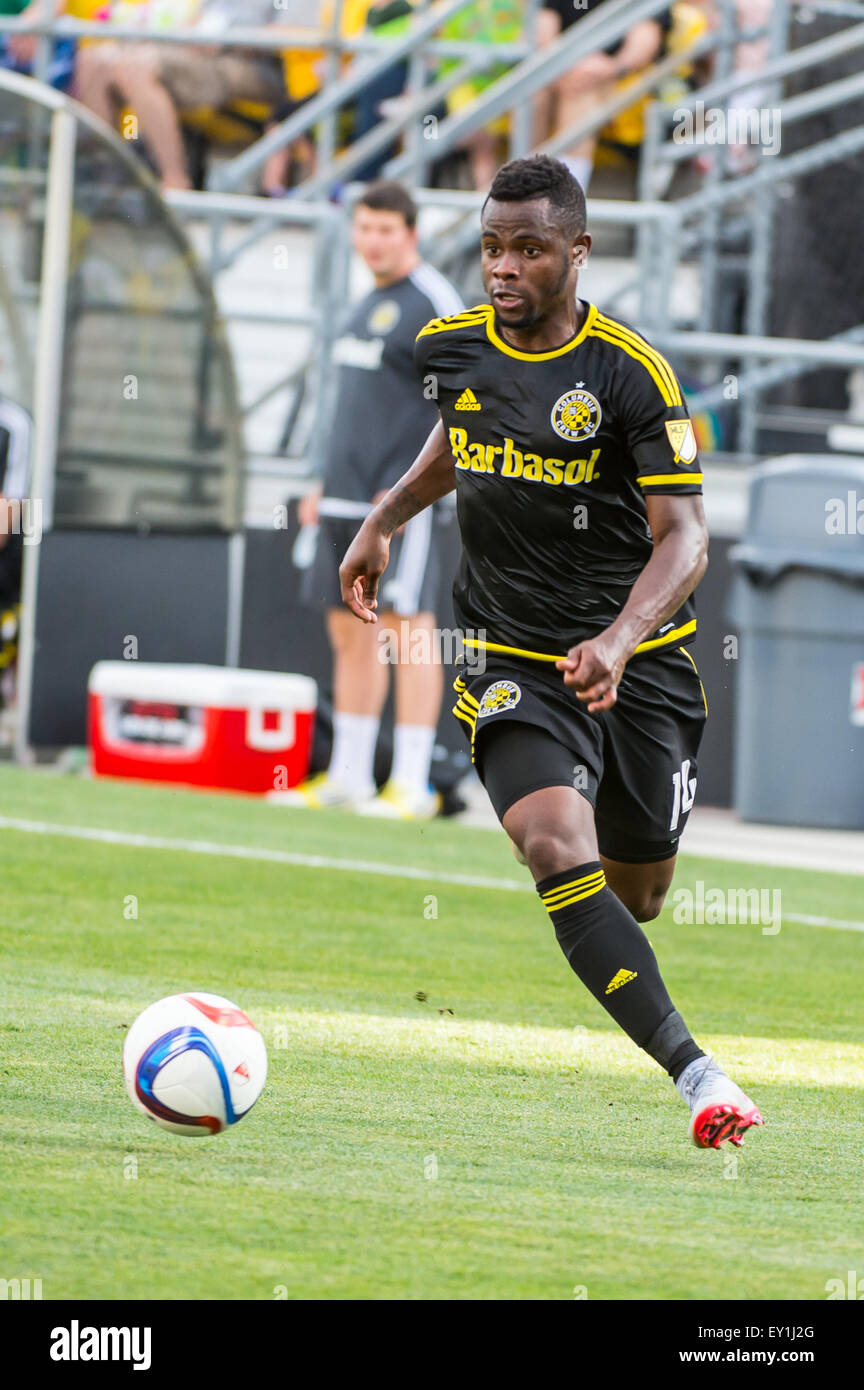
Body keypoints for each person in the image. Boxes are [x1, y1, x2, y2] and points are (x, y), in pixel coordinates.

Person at [338, 155, 764, 1148]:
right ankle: (699, 1075)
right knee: (551, 845)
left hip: (638, 662)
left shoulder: (631, 373)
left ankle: (620, 933)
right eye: (492, 246)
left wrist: (619, 640)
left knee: (638, 892)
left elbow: (686, 537)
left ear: (578, 253)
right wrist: (388, 513)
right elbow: (460, 435)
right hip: (505, 653)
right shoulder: (449, 347)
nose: (504, 266)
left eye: (529, 248)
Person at [282, 181, 464, 820]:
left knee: (407, 631)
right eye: (364, 228)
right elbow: (346, 405)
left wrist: (407, 492)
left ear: (411, 234)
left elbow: (459, 402)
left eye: (386, 229)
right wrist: (318, 480)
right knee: (348, 631)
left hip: (398, 503)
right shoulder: (362, 305)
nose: (374, 240)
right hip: (341, 497)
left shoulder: (435, 303)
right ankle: (351, 774)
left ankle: (413, 782)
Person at [74, 0, 284, 190]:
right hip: (193, 53)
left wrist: (226, 40)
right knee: (94, 60)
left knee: (137, 67)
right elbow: (200, 20)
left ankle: (174, 182)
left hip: (250, 65)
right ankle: (104, 179)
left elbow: (289, 30)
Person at [535, 0, 672, 192]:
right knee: (534, 94)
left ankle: (567, 197)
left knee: (581, 95)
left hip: (624, 77)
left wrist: (612, 67)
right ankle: (526, 180)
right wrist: (562, 71)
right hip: (564, 71)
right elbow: (544, 28)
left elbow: (645, 40)